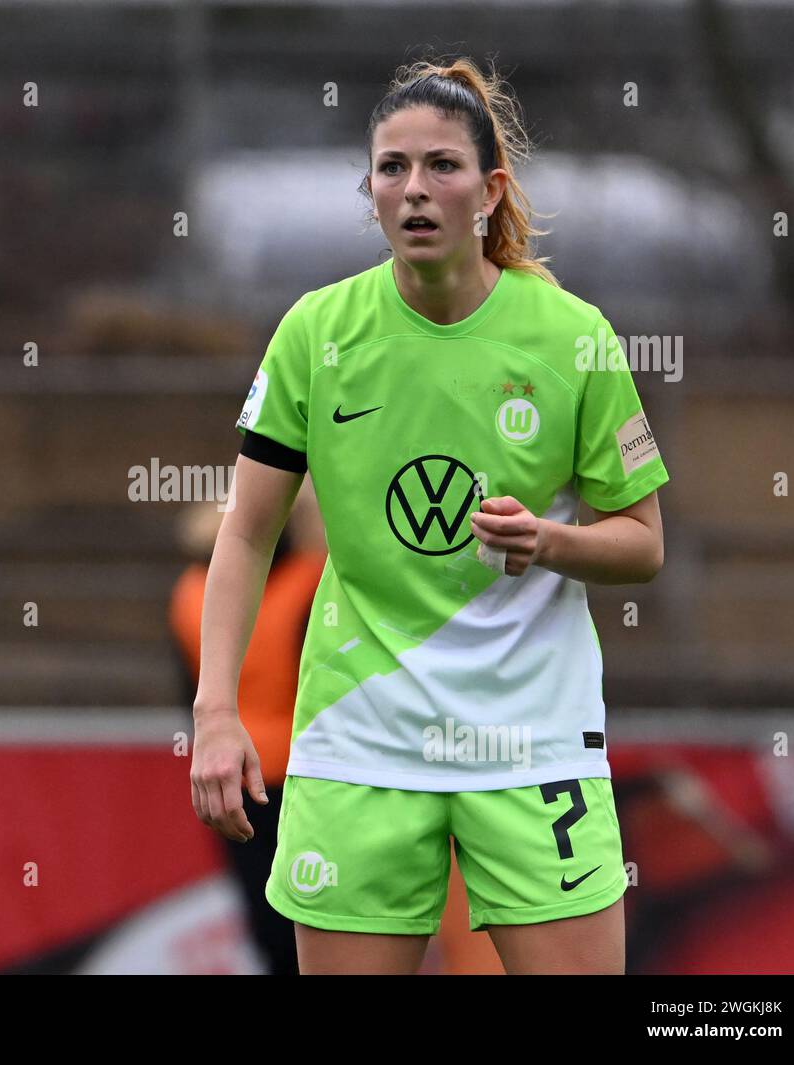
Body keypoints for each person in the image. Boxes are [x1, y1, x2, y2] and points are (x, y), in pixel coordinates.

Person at [188, 56, 670, 975]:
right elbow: (245, 533)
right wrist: (215, 711)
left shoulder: (576, 338)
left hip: (530, 740)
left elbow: (644, 544)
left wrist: (551, 541)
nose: (414, 189)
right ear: (369, 189)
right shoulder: (316, 335)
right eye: (391, 167)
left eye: (441, 167)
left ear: (489, 190)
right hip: (362, 735)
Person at [170, 494, 326, 974]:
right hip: (303, 770)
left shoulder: (189, 593)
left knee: (265, 916)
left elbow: (188, 690)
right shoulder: (311, 580)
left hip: (230, 771)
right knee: (315, 914)